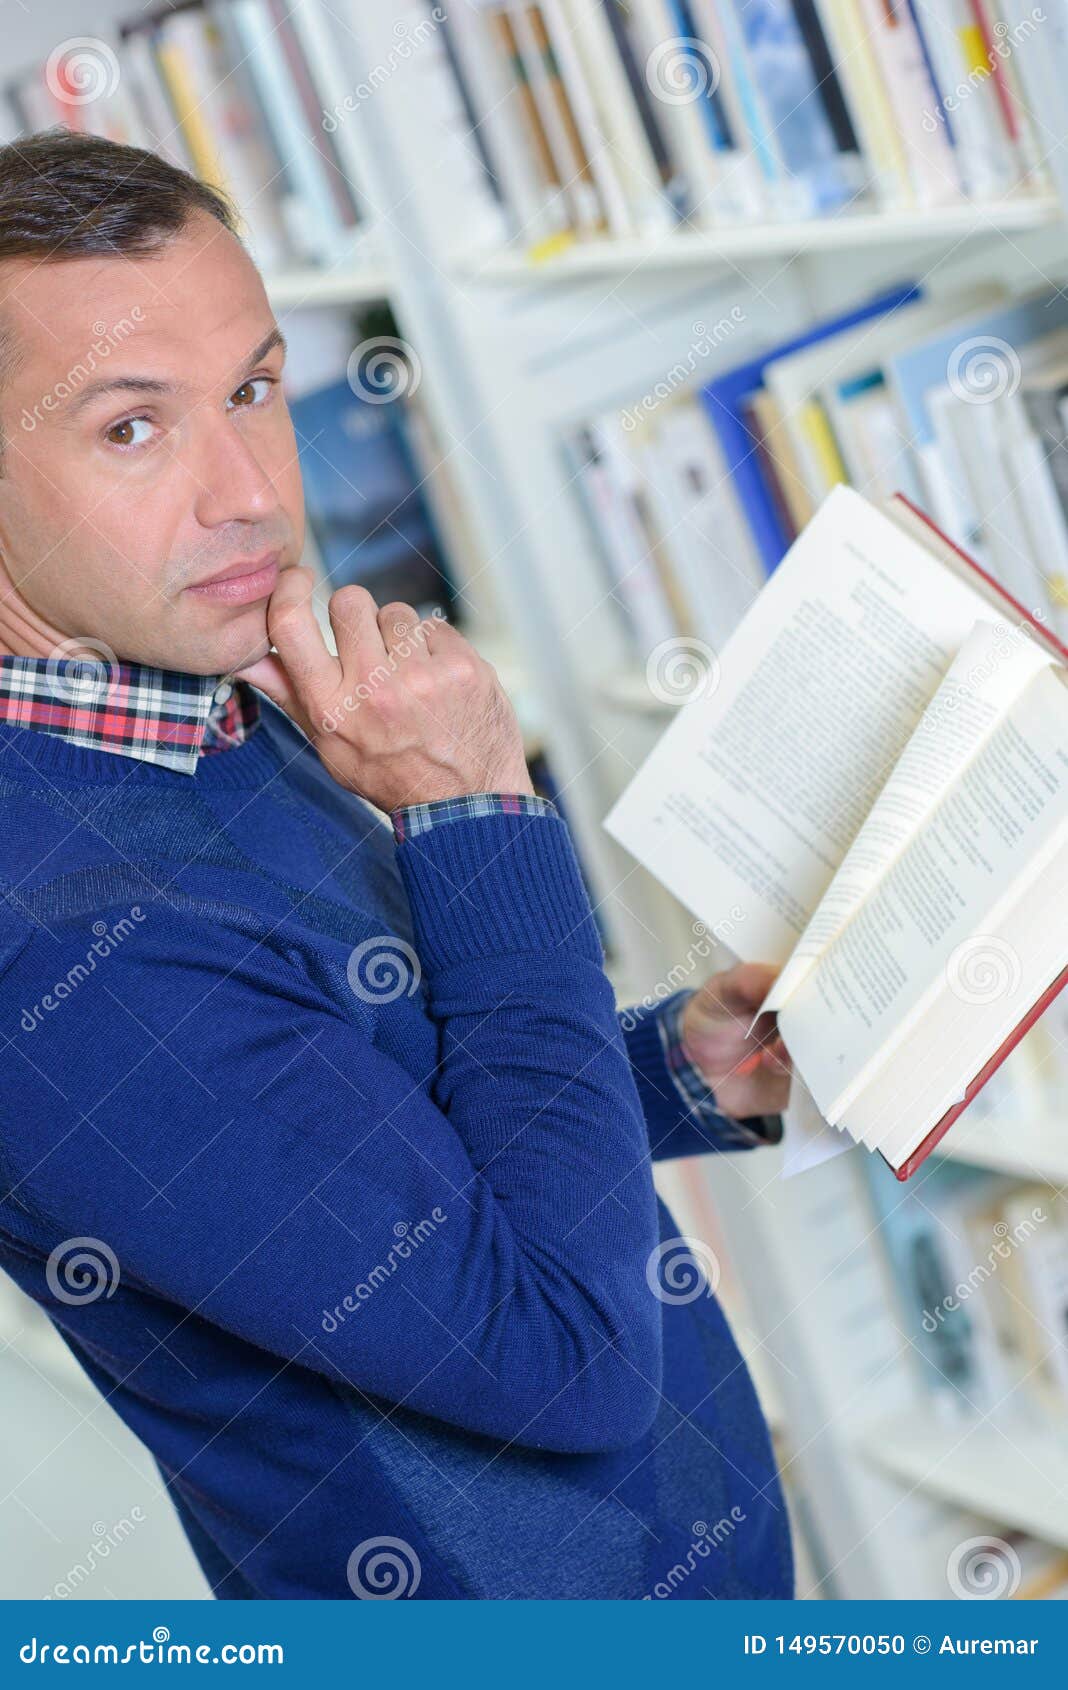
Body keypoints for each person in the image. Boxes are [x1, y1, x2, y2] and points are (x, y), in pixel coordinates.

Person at [0, 129, 794, 1600]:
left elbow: (395, 1122)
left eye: (251, 388)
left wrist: (685, 1068)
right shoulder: (61, 942)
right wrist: (477, 804)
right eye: (131, 428)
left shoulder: (196, 688)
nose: (246, 491)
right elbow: (568, 1360)